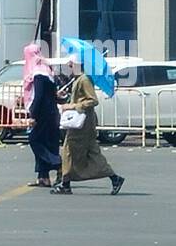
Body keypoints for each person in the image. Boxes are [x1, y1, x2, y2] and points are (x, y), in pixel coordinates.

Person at [53, 56, 125, 196]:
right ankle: (114, 178)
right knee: (92, 152)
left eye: (71, 63)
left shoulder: (84, 79)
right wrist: (65, 96)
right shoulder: (79, 79)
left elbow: (92, 100)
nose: (69, 65)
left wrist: (72, 106)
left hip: (82, 123)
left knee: (68, 150)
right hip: (83, 122)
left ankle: (65, 183)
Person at [23, 43, 61, 188]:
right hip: (51, 112)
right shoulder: (47, 69)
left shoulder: (38, 72)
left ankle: (57, 163)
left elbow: (38, 96)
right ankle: (43, 177)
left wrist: (32, 114)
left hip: (42, 113)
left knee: (34, 140)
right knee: (46, 142)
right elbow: (51, 94)